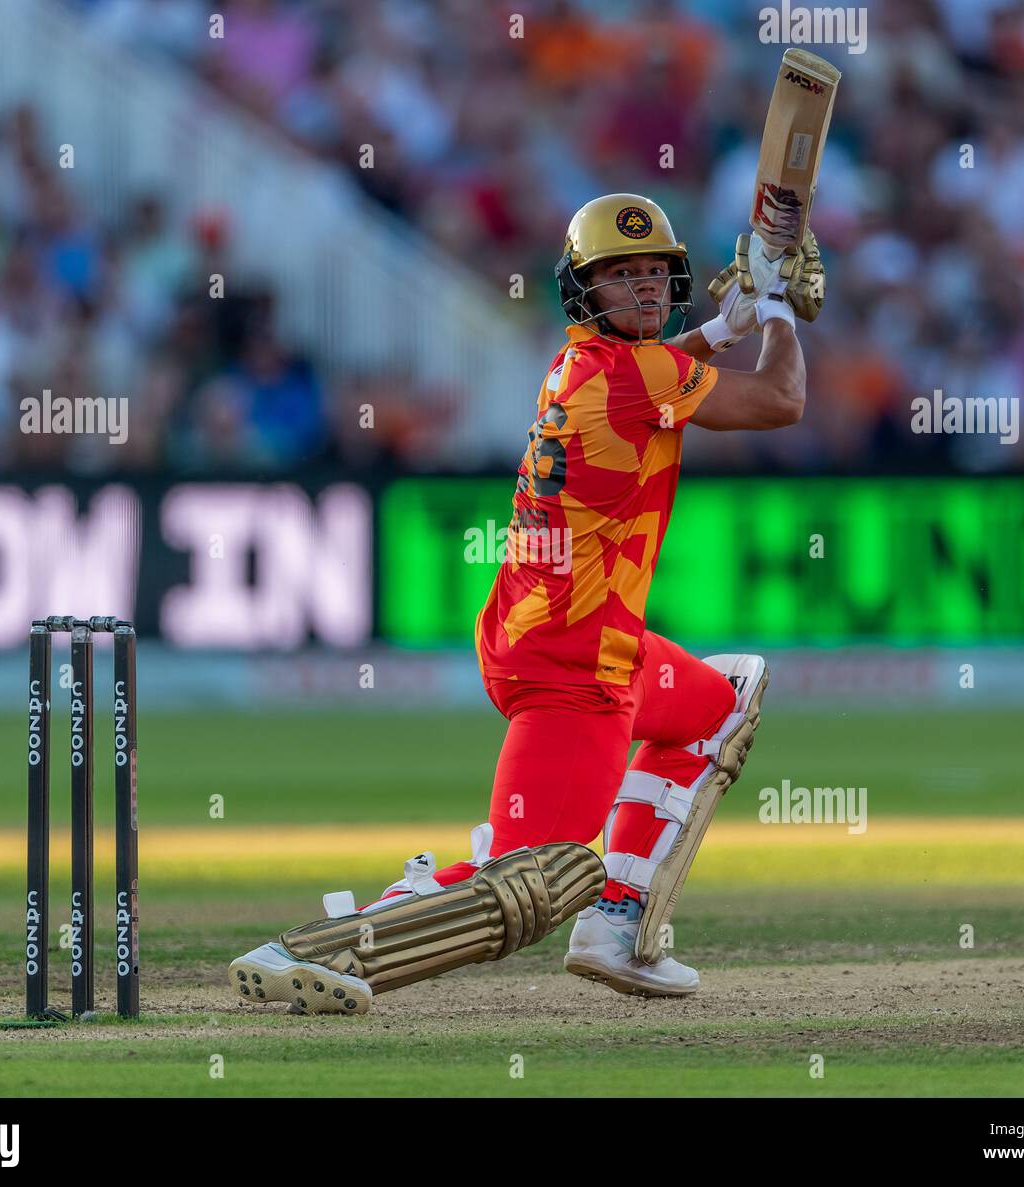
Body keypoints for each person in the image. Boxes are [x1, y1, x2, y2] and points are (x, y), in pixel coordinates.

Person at [229, 193, 823, 1015]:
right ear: (588, 289)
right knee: (532, 874)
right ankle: (329, 945)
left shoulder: (580, 361)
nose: (646, 289)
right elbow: (781, 399)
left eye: (656, 273)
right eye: (623, 276)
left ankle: (620, 924)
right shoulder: (641, 375)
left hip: (560, 634)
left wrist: (728, 327)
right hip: (574, 665)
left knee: (722, 702)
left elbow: (669, 374)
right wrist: (780, 314)